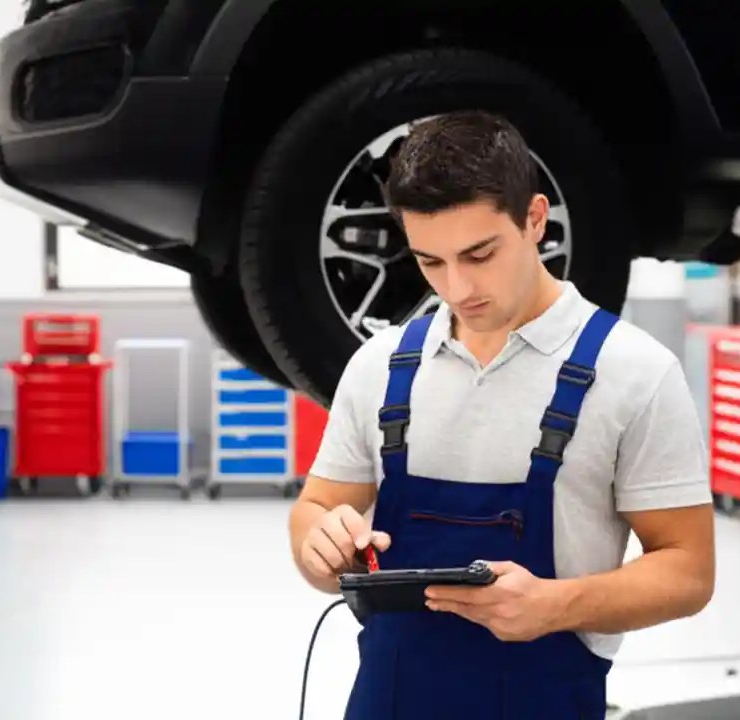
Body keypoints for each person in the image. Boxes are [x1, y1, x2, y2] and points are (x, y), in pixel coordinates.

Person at [287, 110, 715, 719]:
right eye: (430, 262)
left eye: (480, 254)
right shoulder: (379, 366)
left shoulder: (635, 372)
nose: (457, 288)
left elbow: (689, 572)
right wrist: (321, 548)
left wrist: (555, 606)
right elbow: (315, 510)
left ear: (535, 219)